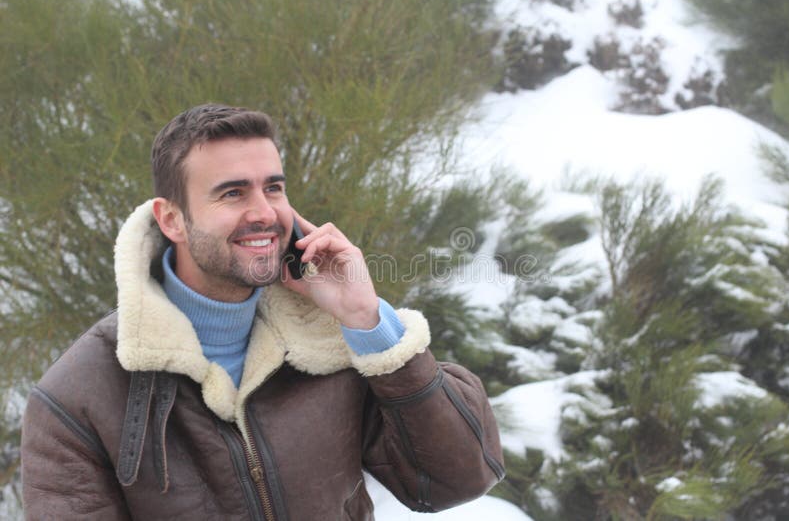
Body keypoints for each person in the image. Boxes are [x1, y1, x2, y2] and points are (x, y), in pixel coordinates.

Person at [21, 104, 505, 520]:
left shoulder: (330, 342)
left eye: (273, 188)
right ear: (171, 219)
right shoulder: (76, 398)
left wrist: (367, 320)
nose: (265, 213)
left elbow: (455, 479)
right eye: (233, 193)